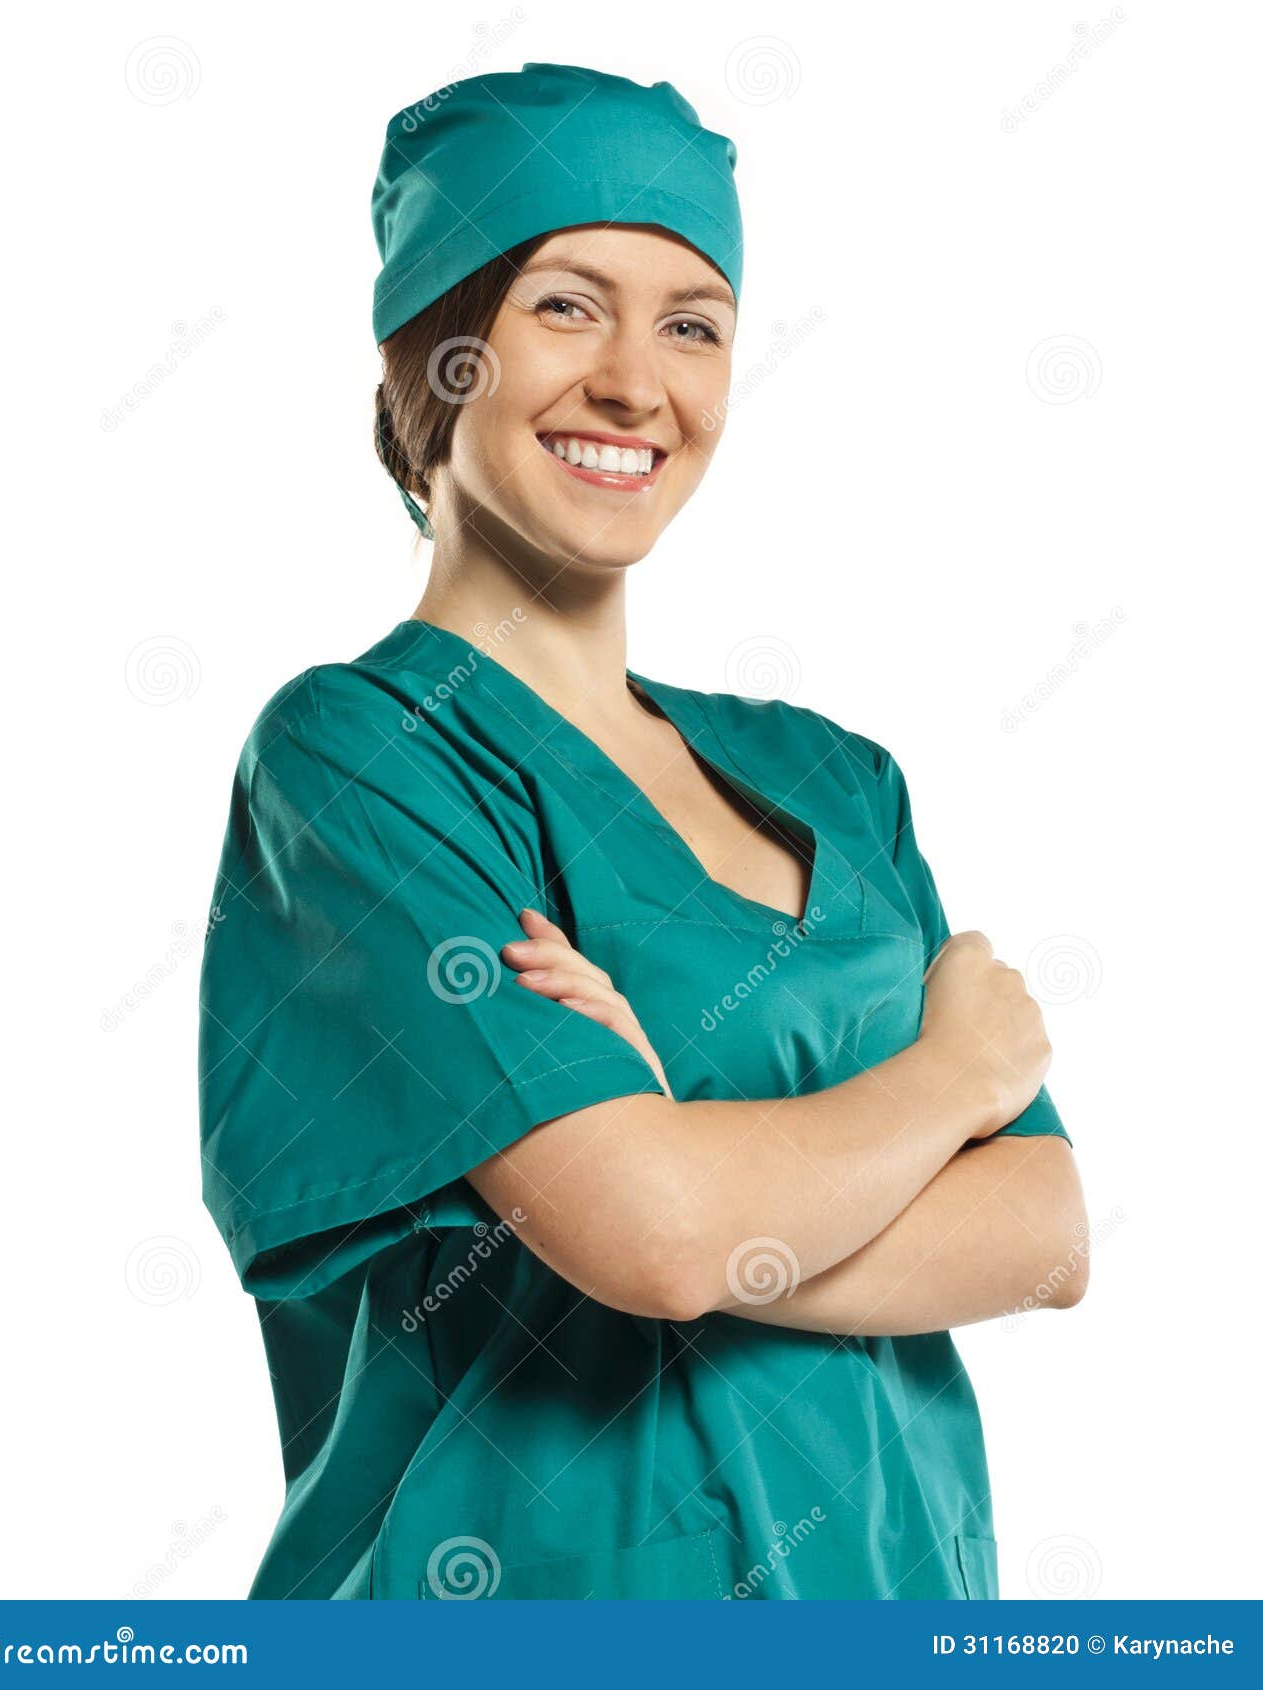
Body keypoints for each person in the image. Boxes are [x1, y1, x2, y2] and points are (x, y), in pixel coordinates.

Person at [198, 61, 1088, 1602]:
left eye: (692, 322)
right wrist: (942, 1084)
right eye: (565, 304)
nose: (635, 381)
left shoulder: (838, 780)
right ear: (440, 352)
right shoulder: (360, 763)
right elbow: (664, 1238)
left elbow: (1045, 1229)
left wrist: (680, 1164)